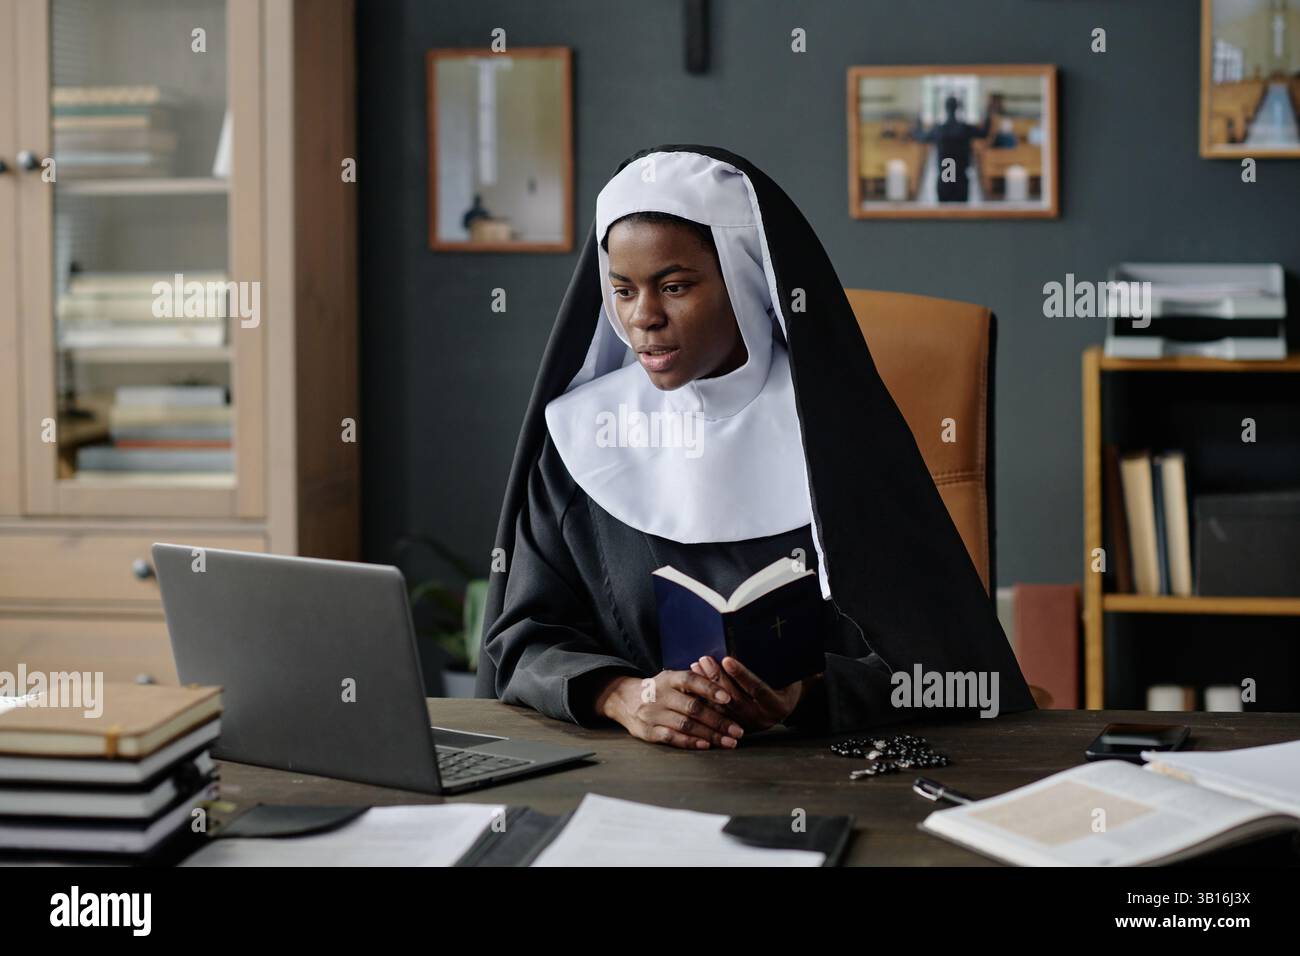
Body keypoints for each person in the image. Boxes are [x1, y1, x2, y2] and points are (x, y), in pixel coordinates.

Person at [476, 146, 1034, 749]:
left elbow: (950, 674)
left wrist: (808, 695)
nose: (644, 318)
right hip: (629, 780)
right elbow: (523, 638)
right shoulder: (581, 435)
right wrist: (623, 697)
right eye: (623, 290)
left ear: (746, 280)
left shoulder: (838, 436)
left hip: (821, 777)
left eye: (675, 286)